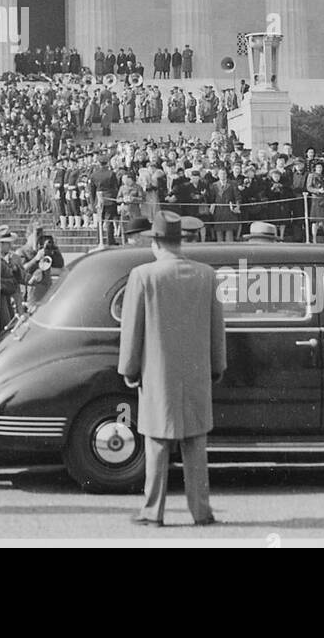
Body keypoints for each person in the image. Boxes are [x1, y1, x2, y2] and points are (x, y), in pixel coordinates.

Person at [118, 211, 226, 527]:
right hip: (195, 374)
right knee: (195, 445)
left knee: (156, 444)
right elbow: (217, 328)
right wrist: (217, 365)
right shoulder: (208, 275)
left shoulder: (142, 276)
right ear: (180, 241)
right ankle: (201, 511)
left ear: (156, 243)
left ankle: (153, 511)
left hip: (157, 374)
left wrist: (129, 368)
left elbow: (132, 329)